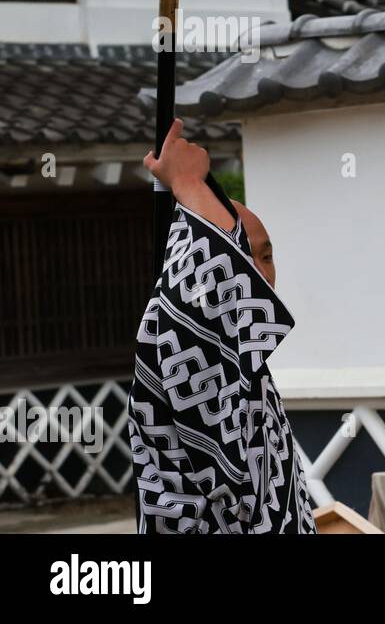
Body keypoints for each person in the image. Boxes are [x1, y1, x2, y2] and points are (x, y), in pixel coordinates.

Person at [129, 119, 315, 534]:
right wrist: (189, 183)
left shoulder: (246, 365)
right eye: (241, 260)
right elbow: (211, 299)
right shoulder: (176, 333)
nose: (258, 276)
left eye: (266, 258)